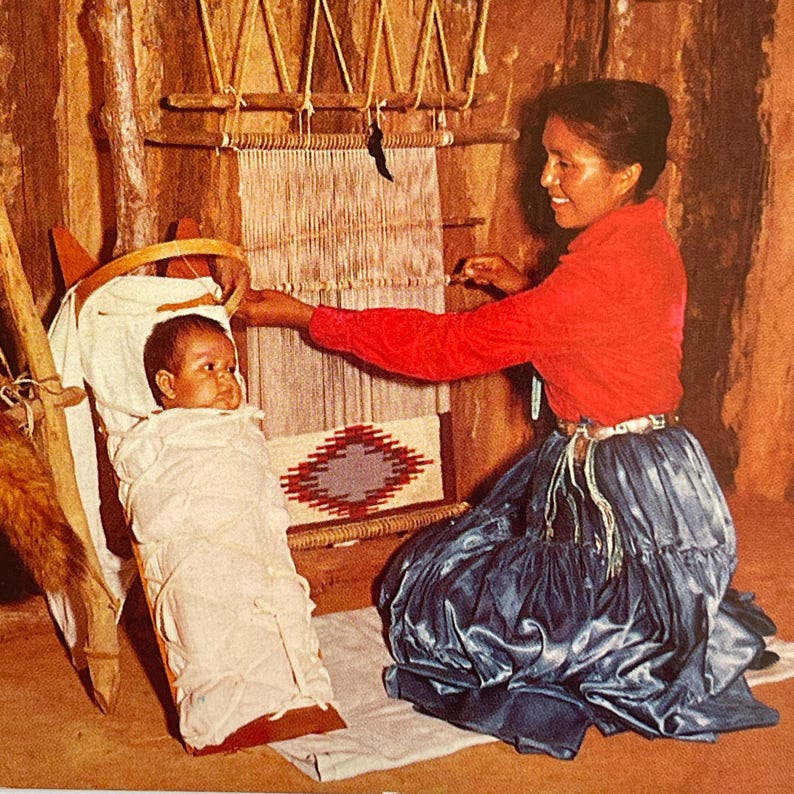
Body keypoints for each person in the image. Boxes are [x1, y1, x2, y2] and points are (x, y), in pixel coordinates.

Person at [234, 78, 778, 758]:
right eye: (546, 157)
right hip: (660, 477)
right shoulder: (642, 237)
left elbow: (444, 348)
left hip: (619, 493)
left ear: (625, 174)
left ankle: (622, 632)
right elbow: (609, 334)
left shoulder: (594, 277)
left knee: (434, 603)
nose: (546, 178)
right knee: (458, 576)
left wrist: (308, 316)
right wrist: (523, 291)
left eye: (566, 162)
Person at [143, 313, 242, 410]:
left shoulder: (242, 417)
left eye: (231, 369)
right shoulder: (168, 421)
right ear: (168, 385)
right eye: (209, 367)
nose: (226, 375)